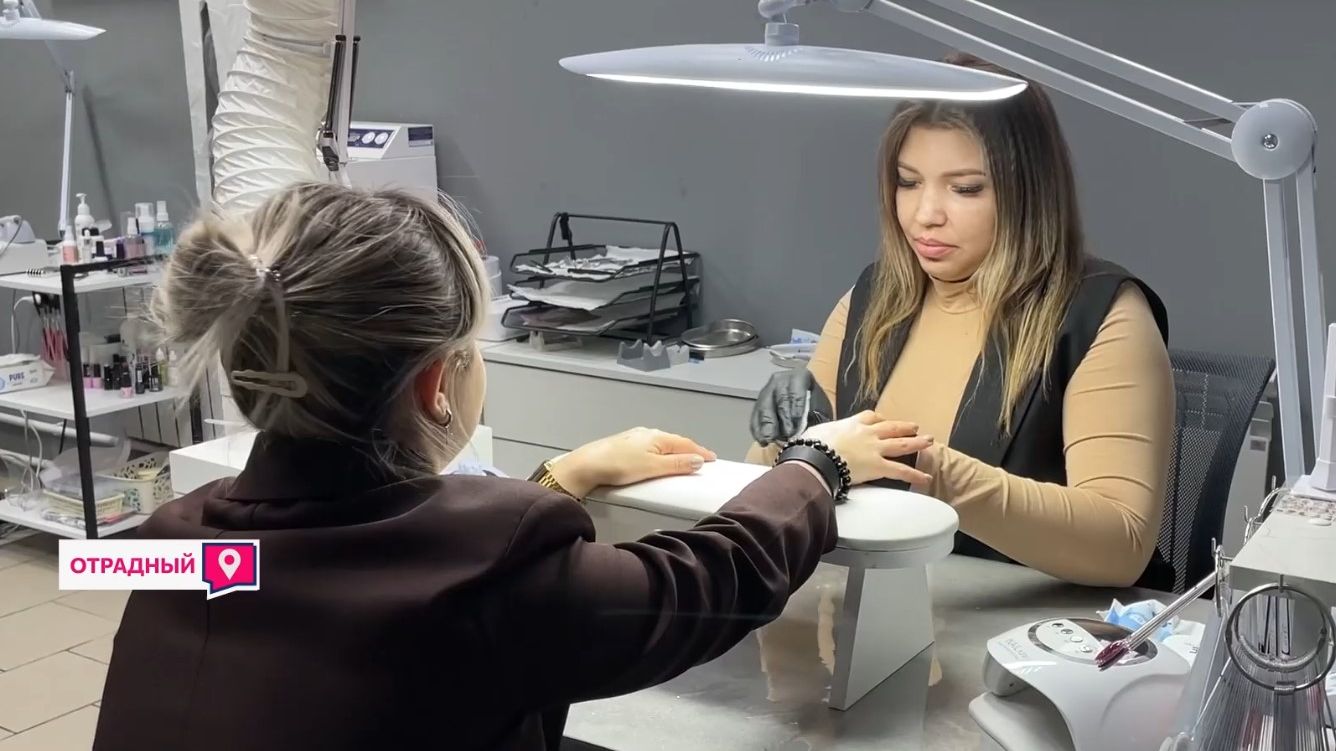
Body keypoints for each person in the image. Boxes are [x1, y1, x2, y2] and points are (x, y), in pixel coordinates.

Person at [93, 183, 930, 751]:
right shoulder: (487, 573)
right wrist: (817, 464)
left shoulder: (171, 544)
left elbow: (384, 584)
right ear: (436, 383)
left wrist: (563, 477)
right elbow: (709, 583)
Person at [749, 53, 1174, 589]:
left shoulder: (1102, 314)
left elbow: (1121, 546)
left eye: (965, 188)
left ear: (1028, 191)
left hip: (1034, 628)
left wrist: (925, 469)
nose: (925, 214)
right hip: (879, 605)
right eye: (908, 182)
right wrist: (787, 439)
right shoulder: (873, 297)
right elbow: (772, 492)